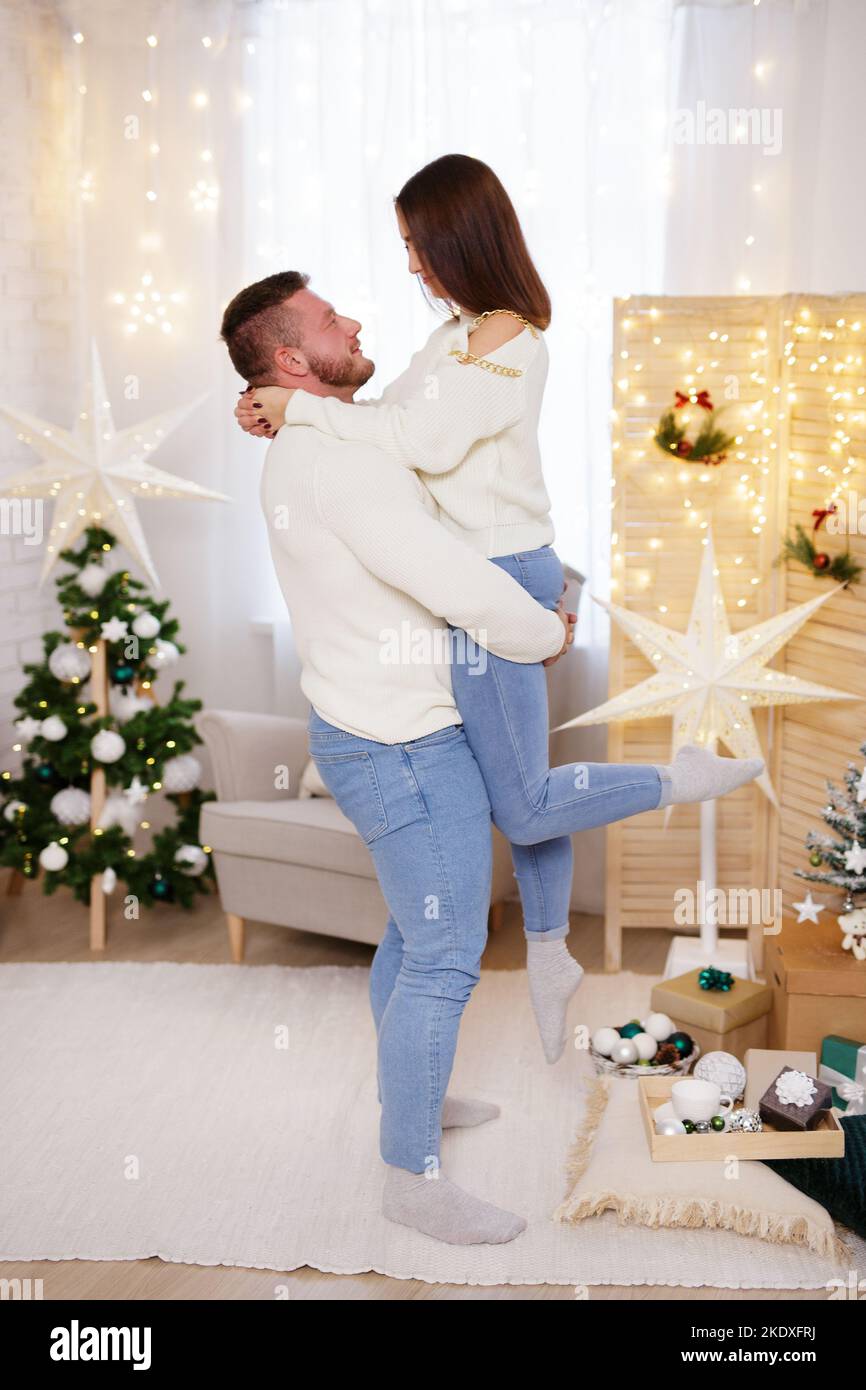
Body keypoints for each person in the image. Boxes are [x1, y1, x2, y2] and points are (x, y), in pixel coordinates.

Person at [220, 272, 762, 1246]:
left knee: (410, 935)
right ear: (294, 358)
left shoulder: (328, 437)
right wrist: (545, 633)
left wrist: (280, 406)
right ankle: (409, 1176)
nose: (353, 317)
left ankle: (409, 1108)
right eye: (327, 318)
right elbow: (446, 578)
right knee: (441, 956)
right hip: (401, 748)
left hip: (380, 731)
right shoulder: (331, 464)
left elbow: (399, 431)